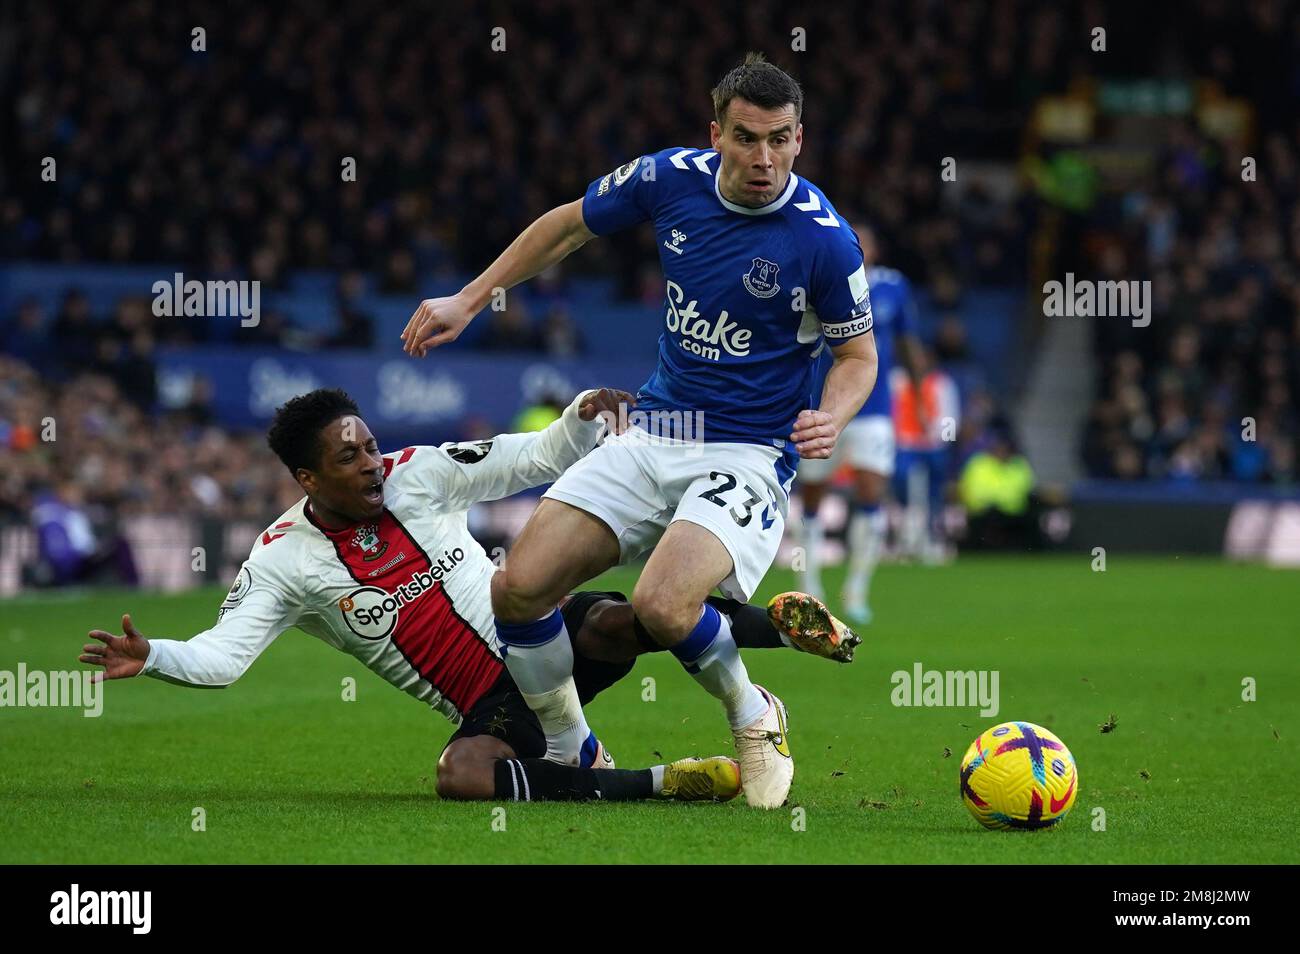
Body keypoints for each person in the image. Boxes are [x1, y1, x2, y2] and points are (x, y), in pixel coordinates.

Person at [400, 53, 878, 808]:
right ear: (713, 132)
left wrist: (834, 414)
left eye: (780, 140)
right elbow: (566, 228)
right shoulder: (666, 179)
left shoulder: (823, 241)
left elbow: (858, 354)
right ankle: (569, 745)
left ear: (800, 139)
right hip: (656, 429)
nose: (764, 159)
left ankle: (754, 716)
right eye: (747, 138)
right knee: (517, 590)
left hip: (748, 451)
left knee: (662, 606)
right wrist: (470, 297)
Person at [79, 387, 859, 803]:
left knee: (618, 618)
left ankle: (777, 630)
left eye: (368, 444)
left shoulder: (418, 470)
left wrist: (583, 417)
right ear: (308, 480)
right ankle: (658, 783)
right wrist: (154, 657)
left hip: (541, 633)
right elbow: (224, 656)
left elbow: (532, 458)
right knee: (462, 775)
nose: (370, 463)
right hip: (494, 700)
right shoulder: (284, 560)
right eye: (347, 459)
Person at [795, 226, 926, 623]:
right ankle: (809, 584)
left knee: (872, 493)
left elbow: (908, 343)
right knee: (813, 494)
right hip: (821, 409)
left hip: (874, 411)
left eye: (863, 241)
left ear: (872, 248)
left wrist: (919, 399)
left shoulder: (891, 286)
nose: (856, 247)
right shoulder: (814, 278)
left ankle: (856, 590)